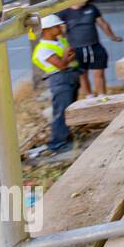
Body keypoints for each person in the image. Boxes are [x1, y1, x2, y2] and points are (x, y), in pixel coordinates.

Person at [61, 0, 123, 98]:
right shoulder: (64, 13)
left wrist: (112, 37)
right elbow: (61, 32)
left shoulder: (92, 8)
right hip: (77, 48)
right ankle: (89, 96)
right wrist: (65, 48)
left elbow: (102, 23)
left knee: (99, 73)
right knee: (82, 74)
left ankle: (102, 95)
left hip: (95, 46)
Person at [33, 14, 80, 154]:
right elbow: (61, 65)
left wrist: (67, 56)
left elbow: (71, 54)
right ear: (47, 29)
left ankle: (65, 136)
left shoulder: (59, 41)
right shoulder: (43, 49)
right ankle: (57, 143)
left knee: (68, 109)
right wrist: (66, 56)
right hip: (60, 79)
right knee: (61, 111)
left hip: (69, 77)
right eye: (57, 26)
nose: (60, 28)